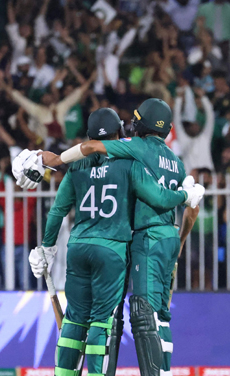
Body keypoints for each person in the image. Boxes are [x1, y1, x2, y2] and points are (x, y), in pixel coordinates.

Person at [19, 99, 201, 376]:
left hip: (79, 246)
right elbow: (161, 198)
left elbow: (57, 210)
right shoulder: (138, 163)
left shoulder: (79, 168)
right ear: (119, 132)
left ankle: (63, 373)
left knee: (74, 320)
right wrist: (185, 199)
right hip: (117, 249)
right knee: (107, 321)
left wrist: (46, 248)